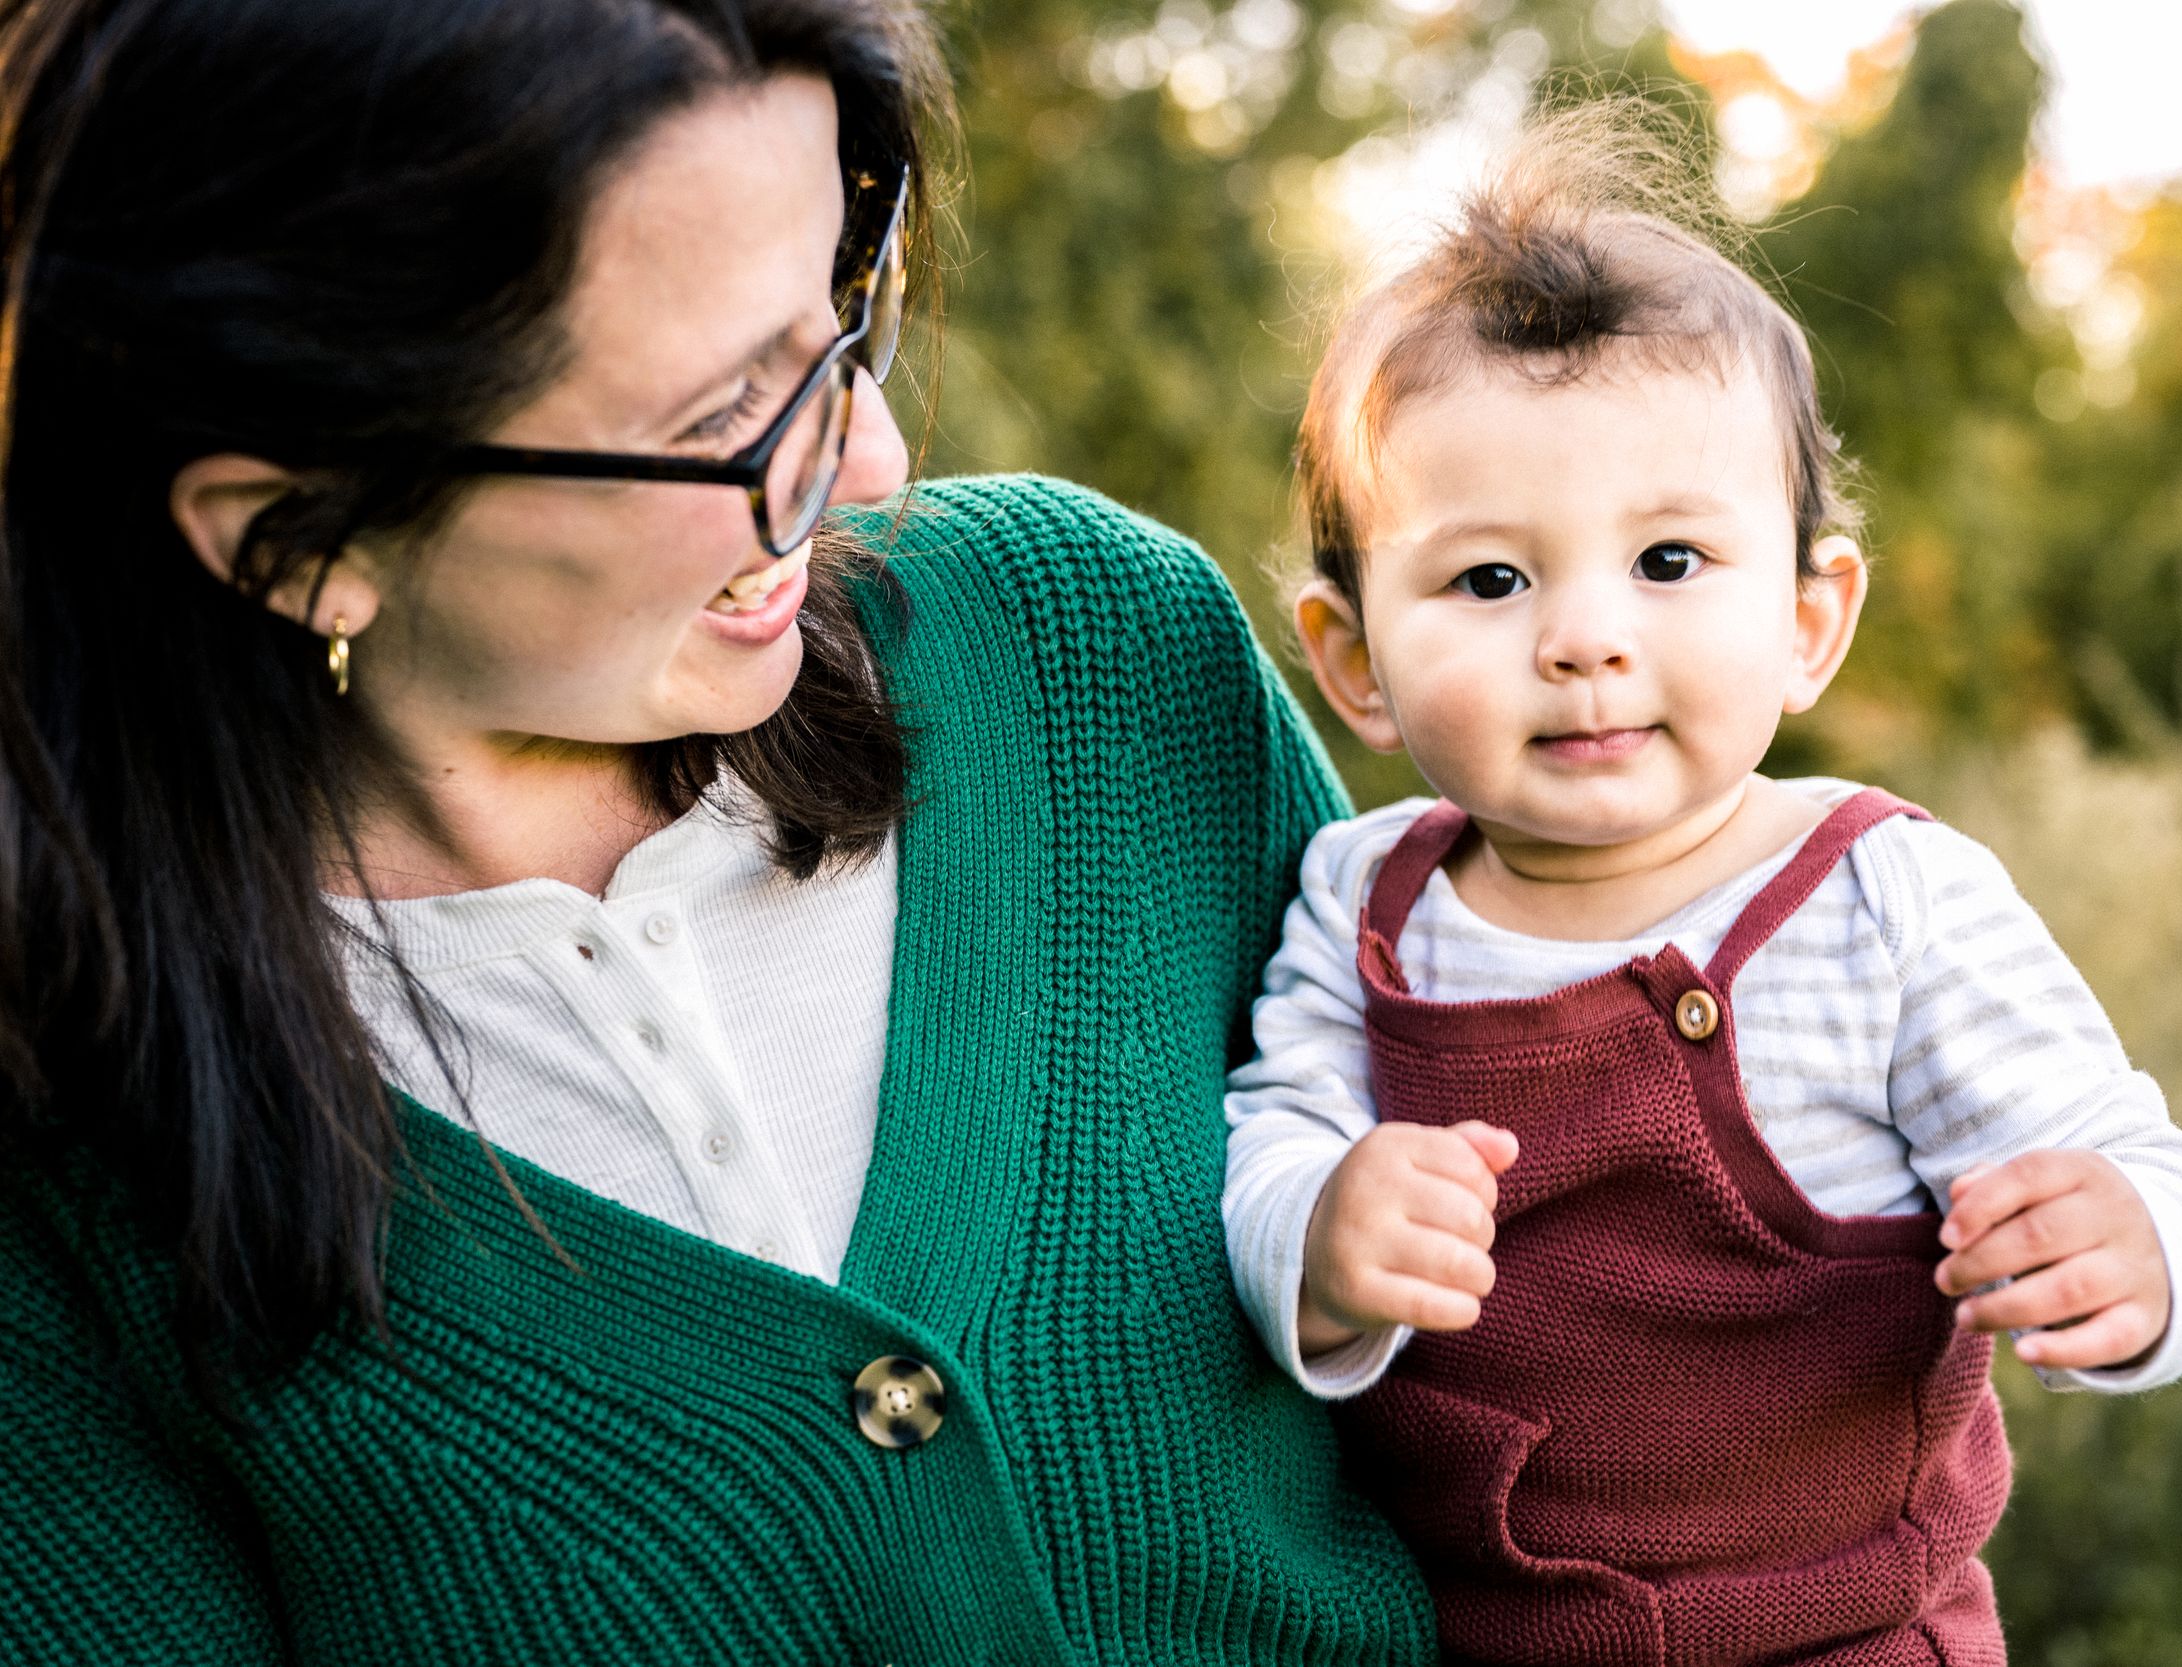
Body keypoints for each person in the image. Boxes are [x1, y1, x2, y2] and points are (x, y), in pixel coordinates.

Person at [0, 1, 1435, 1661]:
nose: (875, 460)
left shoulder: (1100, 658)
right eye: (721, 419)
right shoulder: (70, 1144)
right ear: (298, 540)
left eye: (845, 306)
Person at [1222, 108, 2182, 1666]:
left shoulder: (1884, 902)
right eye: (1490, 580)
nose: (1583, 639)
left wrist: (2133, 1253)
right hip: (1473, 1636)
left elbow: (2126, 1156)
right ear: (1354, 657)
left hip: (1844, 1635)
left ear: (1812, 617)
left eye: (1671, 562)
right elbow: (1269, 1139)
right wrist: (1324, 1229)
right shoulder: (1365, 899)